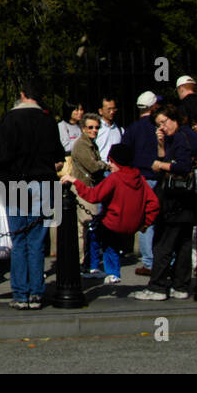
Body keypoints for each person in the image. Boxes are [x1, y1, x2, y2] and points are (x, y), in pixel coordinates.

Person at [0, 80, 64, 310]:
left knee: (19, 240)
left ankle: (20, 293)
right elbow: (58, 157)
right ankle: (36, 292)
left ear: (22, 95)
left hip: (15, 184)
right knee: (36, 241)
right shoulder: (47, 120)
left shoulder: (9, 120)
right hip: (41, 183)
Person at [61, 141, 159, 285]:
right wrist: (145, 222)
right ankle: (100, 269)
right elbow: (154, 203)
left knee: (96, 234)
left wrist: (75, 181)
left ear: (116, 162)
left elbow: (93, 196)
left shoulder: (114, 178)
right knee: (107, 238)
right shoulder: (140, 178)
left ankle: (102, 270)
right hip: (133, 225)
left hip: (113, 223)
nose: (109, 165)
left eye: (111, 161)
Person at [130, 103, 197, 301]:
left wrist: (160, 164)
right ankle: (180, 285)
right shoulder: (182, 136)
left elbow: (183, 166)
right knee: (183, 244)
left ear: (174, 117)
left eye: (164, 122)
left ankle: (158, 286)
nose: (163, 127)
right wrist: (161, 146)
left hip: (174, 199)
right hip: (185, 200)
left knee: (163, 244)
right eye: (159, 125)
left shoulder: (181, 137)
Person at [125, 90, 161, 276]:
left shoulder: (132, 129)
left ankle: (149, 262)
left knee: (146, 223)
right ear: (153, 106)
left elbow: (125, 153)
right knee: (160, 221)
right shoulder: (158, 127)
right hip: (158, 176)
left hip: (140, 179)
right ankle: (162, 259)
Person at [69, 112, 109, 276]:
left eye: (97, 127)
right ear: (83, 128)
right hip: (83, 188)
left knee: (87, 228)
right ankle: (80, 263)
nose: (94, 130)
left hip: (89, 188)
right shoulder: (82, 145)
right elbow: (93, 166)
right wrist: (106, 165)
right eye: (90, 127)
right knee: (83, 228)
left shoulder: (91, 144)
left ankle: (86, 262)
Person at [95, 96, 123, 162]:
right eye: (109, 109)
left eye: (114, 109)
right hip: (101, 167)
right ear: (100, 111)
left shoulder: (120, 130)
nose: (112, 112)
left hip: (116, 168)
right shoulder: (95, 129)